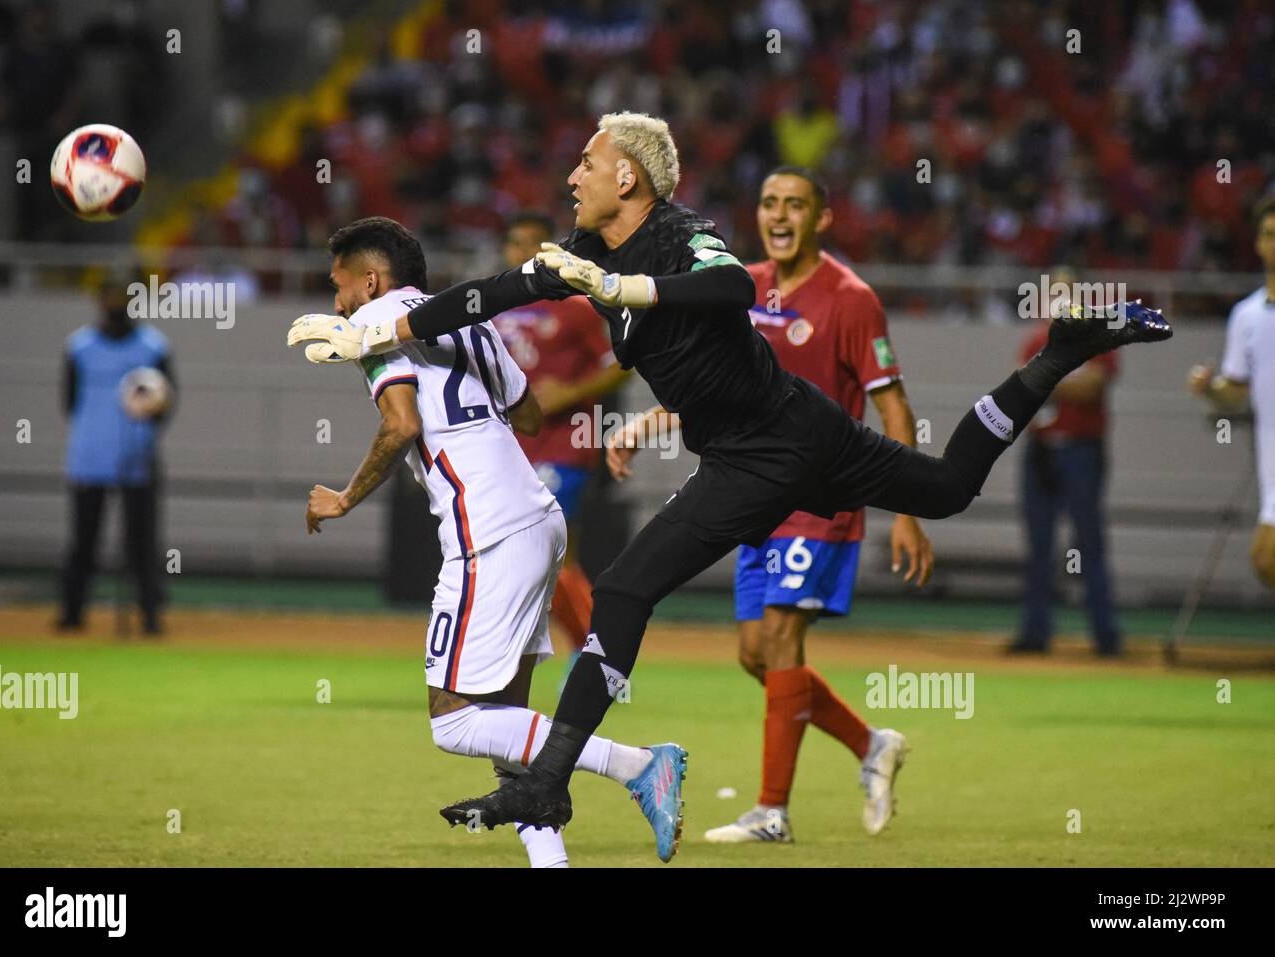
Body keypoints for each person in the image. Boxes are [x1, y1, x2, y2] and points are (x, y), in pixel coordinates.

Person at [287, 113, 1171, 842]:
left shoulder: (681, 234)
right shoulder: (579, 247)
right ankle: (552, 783)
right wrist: (376, 335)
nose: (573, 179)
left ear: (629, 177)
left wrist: (626, 292)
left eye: (588, 164)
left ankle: (548, 782)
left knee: (933, 493)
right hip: (757, 444)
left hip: (783, 439)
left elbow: (731, 292)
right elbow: (486, 294)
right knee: (642, 583)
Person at [291, 216, 686, 865]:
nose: (335, 303)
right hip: (537, 514)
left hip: (488, 529)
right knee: (506, 719)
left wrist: (343, 496)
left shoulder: (373, 327)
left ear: (370, 279)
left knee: (455, 721)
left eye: (339, 286)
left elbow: (400, 425)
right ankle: (550, 861)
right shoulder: (470, 319)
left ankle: (640, 764)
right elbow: (530, 412)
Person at [607, 166, 933, 843]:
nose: (779, 215)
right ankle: (872, 742)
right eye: (769, 203)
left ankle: (771, 811)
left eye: (796, 205)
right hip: (750, 494)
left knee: (781, 637)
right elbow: (716, 386)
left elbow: (892, 403)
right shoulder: (737, 285)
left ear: (823, 218)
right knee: (756, 653)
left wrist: (908, 510)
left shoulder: (851, 298)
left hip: (821, 493)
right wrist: (647, 424)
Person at [491, 212, 631, 659]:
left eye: (535, 243)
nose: (525, 252)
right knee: (520, 552)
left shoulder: (577, 308)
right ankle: (565, 649)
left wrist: (569, 391)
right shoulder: (494, 309)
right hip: (510, 446)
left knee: (554, 547)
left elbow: (621, 366)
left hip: (565, 444)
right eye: (517, 243)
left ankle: (599, 653)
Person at [1011, 268, 1123, 655]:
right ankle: (1036, 632)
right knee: (1038, 545)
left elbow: (1091, 388)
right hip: (1042, 450)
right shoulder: (1037, 339)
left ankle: (1105, 634)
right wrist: (1060, 381)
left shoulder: (1097, 337)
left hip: (1081, 449)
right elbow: (1022, 389)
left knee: (1089, 542)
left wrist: (1046, 378)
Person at [58, 275, 174, 636]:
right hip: (89, 457)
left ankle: (149, 616)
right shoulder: (79, 346)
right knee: (83, 541)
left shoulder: (153, 347)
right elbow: (70, 401)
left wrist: (147, 420)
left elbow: (166, 402)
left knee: (142, 543)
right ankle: (73, 613)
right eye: (111, 297)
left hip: (137, 458)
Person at [1187, 195, 1275, 589]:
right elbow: (1236, 391)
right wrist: (1210, 389)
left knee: (1266, 556)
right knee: (1267, 562)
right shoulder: (1247, 315)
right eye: (1270, 234)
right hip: (1270, 460)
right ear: (1257, 243)